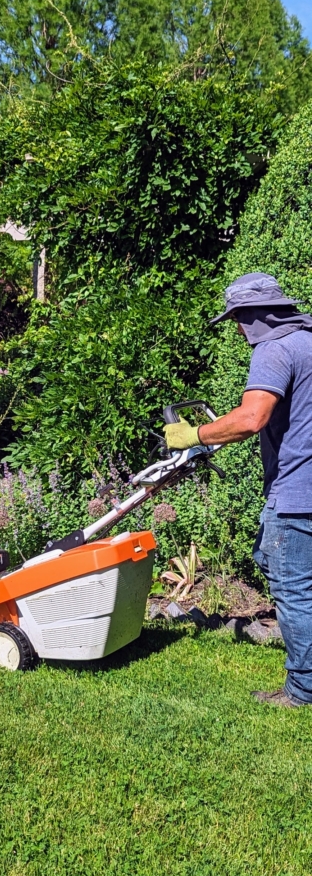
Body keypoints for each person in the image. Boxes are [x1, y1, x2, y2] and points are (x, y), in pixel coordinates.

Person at [164, 271, 312, 709]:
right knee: (269, 556)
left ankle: (303, 691)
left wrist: (195, 435)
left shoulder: (275, 349)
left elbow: (251, 418)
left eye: (237, 319)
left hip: (297, 493)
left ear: (253, 315)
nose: (238, 330)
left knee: (295, 590)